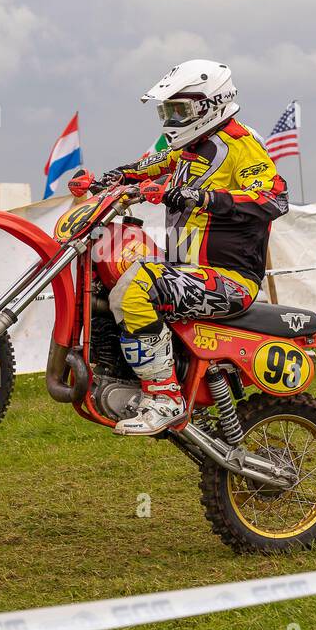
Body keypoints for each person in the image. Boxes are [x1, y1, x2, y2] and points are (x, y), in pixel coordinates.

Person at [95, 60, 289, 436]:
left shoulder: (240, 145)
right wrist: (109, 179)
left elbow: (273, 198)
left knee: (136, 287)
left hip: (228, 279)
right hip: (187, 270)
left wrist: (201, 197)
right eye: (167, 111)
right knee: (112, 269)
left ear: (208, 105)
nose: (172, 119)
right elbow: (150, 166)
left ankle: (165, 397)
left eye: (179, 110)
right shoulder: (191, 148)